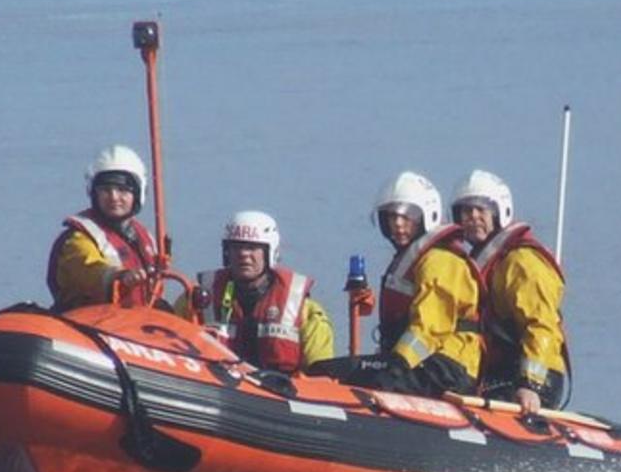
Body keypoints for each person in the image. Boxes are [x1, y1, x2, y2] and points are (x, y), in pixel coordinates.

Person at [344, 171, 483, 396]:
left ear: (425, 216)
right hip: (419, 361)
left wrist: (398, 365)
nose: (397, 224)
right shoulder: (416, 260)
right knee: (340, 371)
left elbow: (430, 327)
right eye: (391, 217)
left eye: (406, 217)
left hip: (449, 363)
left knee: (378, 384)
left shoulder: (441, 260)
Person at [451, 169, 567, 414]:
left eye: (481, 210)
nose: (473, 217)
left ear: (498, 212)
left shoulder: (521, 262)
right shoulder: (479, 263)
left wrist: (530, 384)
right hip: (498, 373)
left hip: (534, 375)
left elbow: (541, 325)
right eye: (466, 211)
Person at [176, 211, 334, 373]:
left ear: (269, 252)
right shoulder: (197, 299)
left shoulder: (304, 311)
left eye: (252, 248)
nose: (243, 254)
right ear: (227, 251)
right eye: (237, 247)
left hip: (277, 391)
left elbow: (321, 373)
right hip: (210, 383)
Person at [46, 145, 158, 312]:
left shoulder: (144, 237)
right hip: (92, 324)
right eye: (105, 190)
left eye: (122, 190)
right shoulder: (78, 239)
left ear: (137, 194)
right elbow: (88, 269)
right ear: (93, 194)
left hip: (137, 323)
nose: (113, 197)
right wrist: (119, 277)